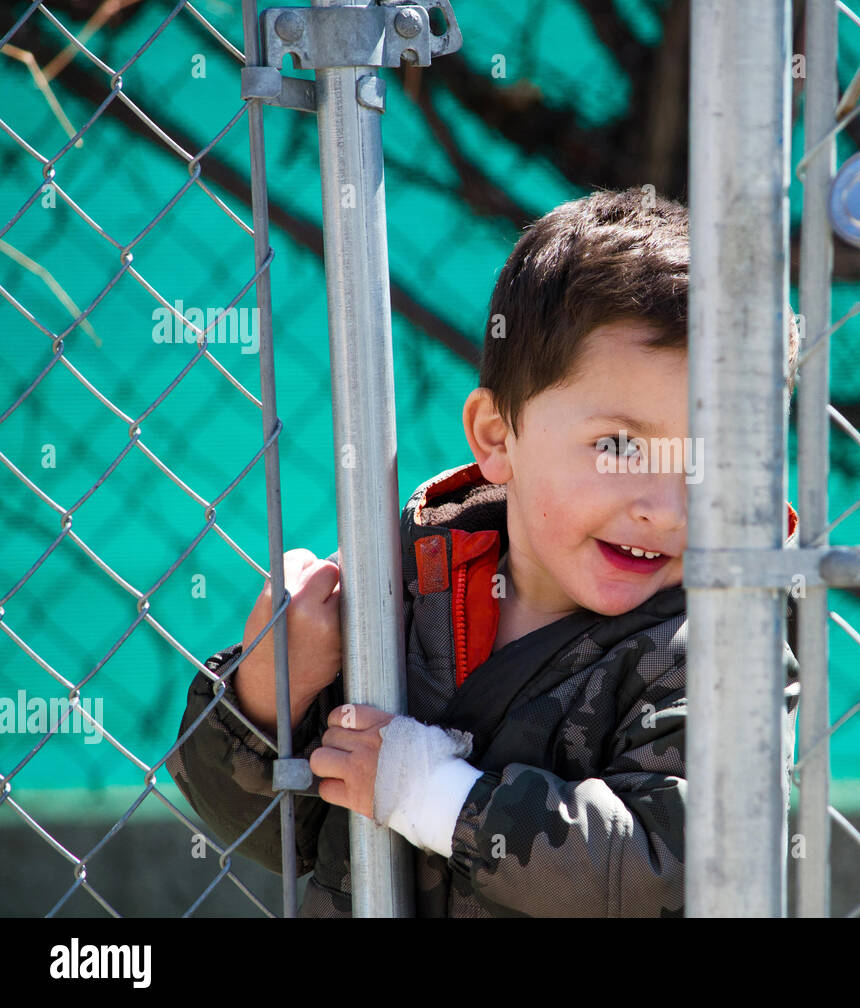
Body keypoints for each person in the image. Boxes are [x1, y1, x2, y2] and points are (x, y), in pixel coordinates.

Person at [165, 187, 801, 917]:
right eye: (619, 446)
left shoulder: (718, 648)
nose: (665, 505)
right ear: (498, 439)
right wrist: (270, 693)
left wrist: (433, 796)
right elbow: (265, 832)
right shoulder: (396, 587)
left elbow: (679, 867)